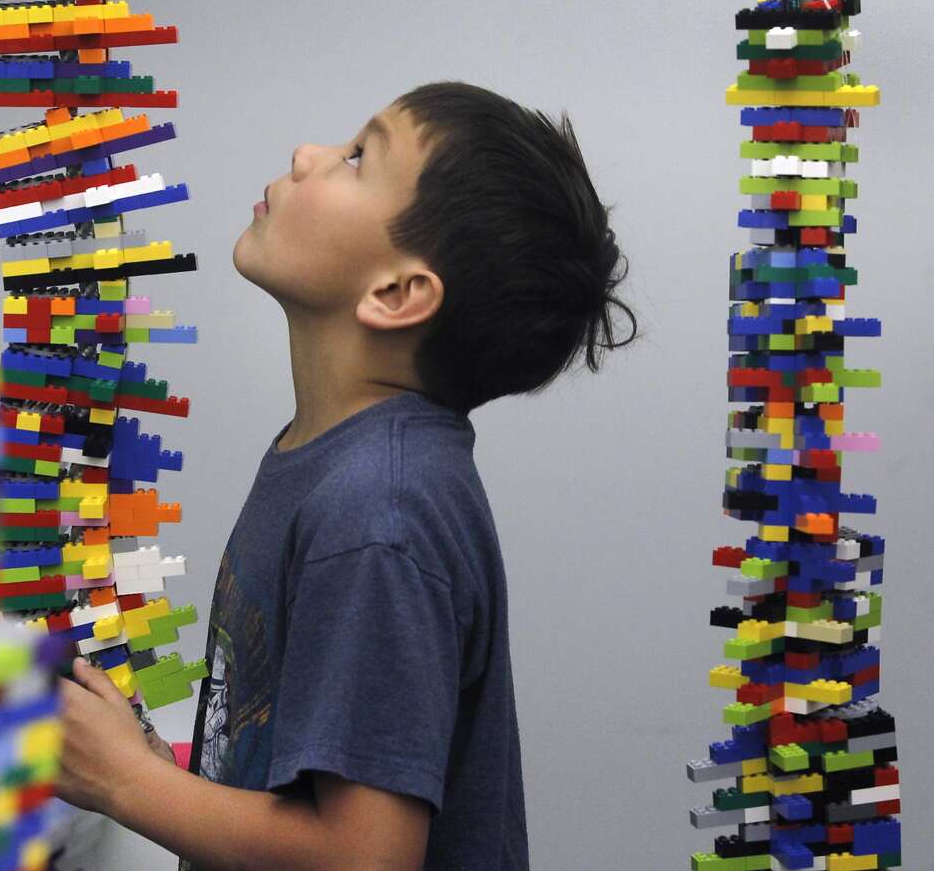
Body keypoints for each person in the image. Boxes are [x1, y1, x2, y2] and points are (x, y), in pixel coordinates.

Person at [56, 79, 636, 871]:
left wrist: (124, 780)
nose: (307, 155)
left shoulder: (377, 512)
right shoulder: (338, 461)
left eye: (358, 157)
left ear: (396, 294)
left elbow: (363, 857)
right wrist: (158, 767)